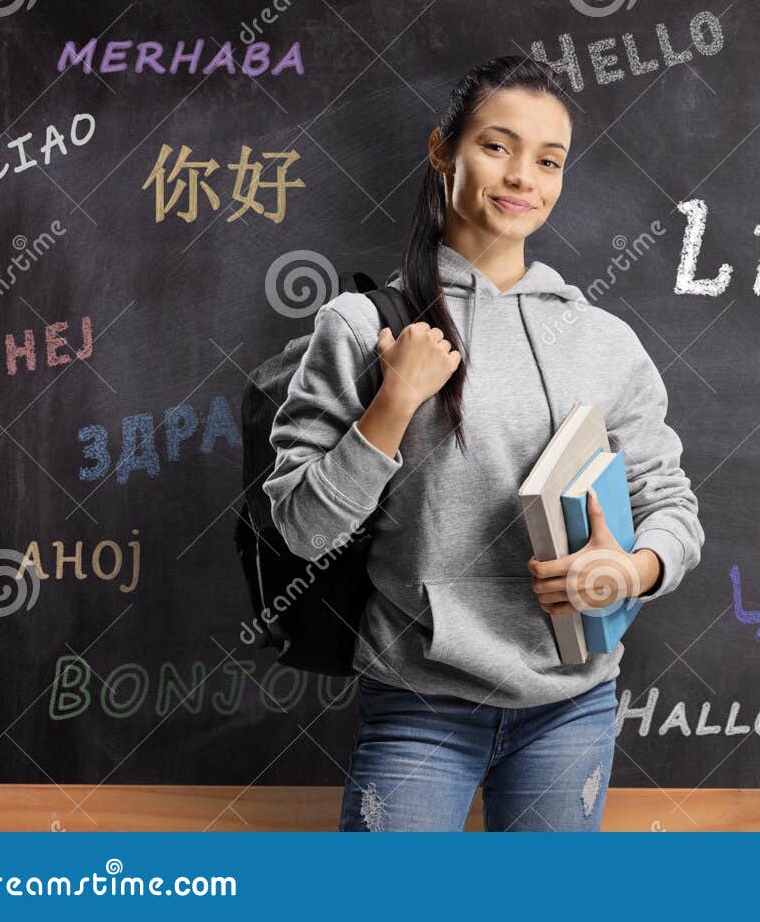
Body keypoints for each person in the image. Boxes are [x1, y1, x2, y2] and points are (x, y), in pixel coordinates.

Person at [262, 56, 704, 831]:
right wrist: (394, 401)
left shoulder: (604, 341)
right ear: (444, 150)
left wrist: (629, 568)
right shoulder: (364, 325)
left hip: (573, 702)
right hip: (419, 700)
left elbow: (670, 503)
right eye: (497, 146)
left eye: (548, 160)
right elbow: (301, 529)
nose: (522, 177)